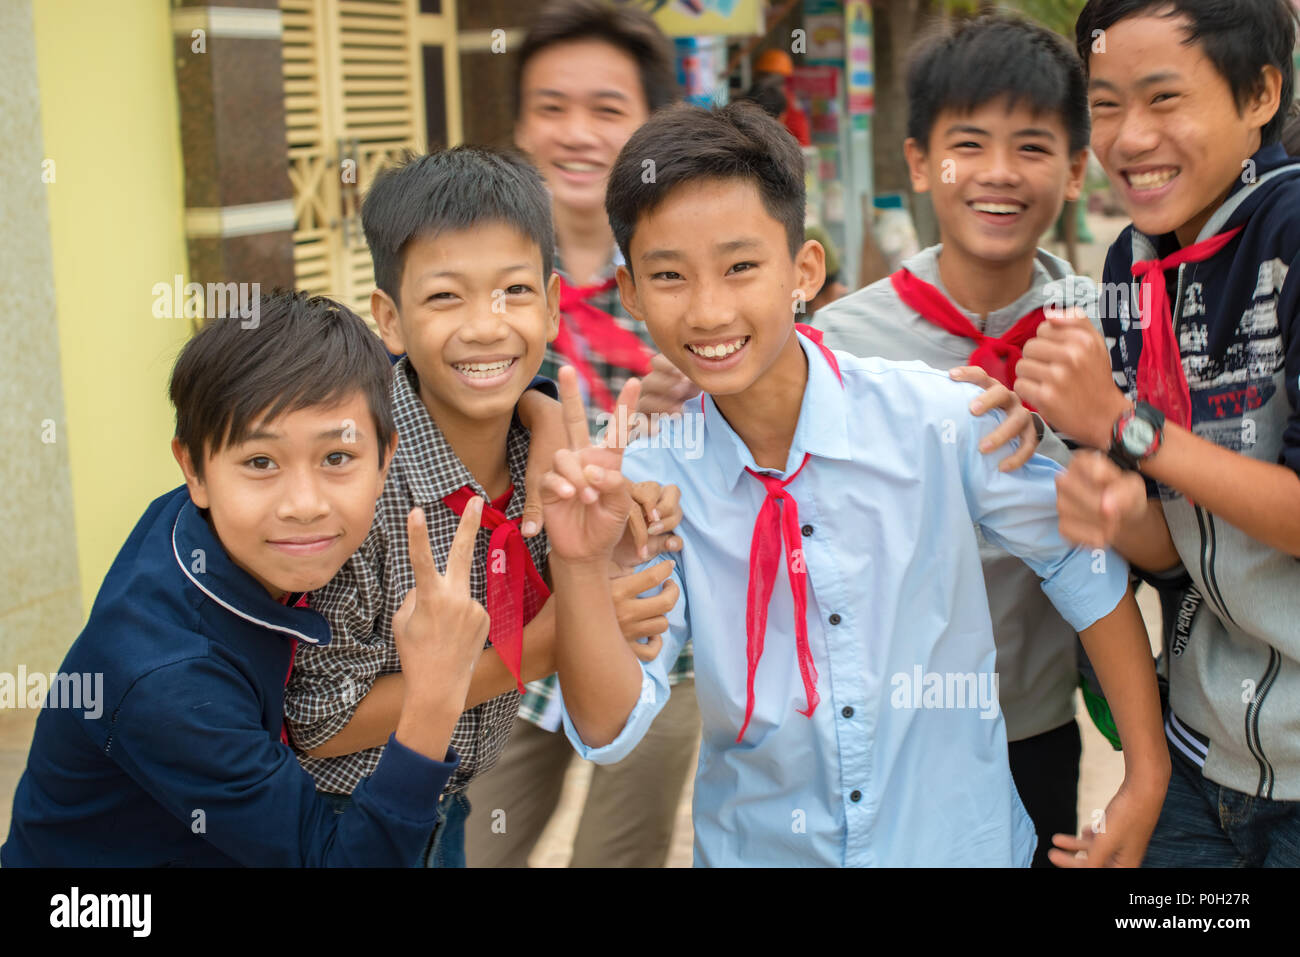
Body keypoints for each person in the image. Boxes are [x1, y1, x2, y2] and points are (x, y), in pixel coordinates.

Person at [538, 101, 1170, 867]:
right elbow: (612, 728)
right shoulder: (646, 484)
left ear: (804, 270)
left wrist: (1147, 764)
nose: (708, 310)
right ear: (631, 293)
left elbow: (1077, 555)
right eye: (669, 276)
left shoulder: (939, 416)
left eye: (741, 266)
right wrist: (576, 564)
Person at [282, 146, 677, 868]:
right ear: (389, 320)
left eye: (514, 292)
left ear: (554, 305)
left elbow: (611, 691)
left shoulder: (551, 460)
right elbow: (318, 721)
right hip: (328, 824)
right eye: (444, 296)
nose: (487, 325)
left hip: (447, 808)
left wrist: (608, 558)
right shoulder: (355, 482)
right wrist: (553, 638)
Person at [1, 291, 489, 866]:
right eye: (261, 463)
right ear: (195, 470)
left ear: (386, 458)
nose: (303, 505)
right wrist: (434, 694)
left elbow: (450, 380)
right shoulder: (171, 680)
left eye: (337, 458)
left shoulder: (210, 532)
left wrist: (542, 414)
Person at [1016, 0, 1300, 867]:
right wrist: (1113, 502)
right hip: (1200, 755)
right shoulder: (1132, 266)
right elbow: (1180, 551)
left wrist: (1123, 426)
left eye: (1164, 98)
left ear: (1260, 94)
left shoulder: (1291, 238)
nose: (1130, 137)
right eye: (1105, 104)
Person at [813, 13, 1101, 868]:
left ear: (1078, 169)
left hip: (1035, 725)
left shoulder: (1103, 330)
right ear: (916, 163)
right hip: (877, 738)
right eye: (968, 144)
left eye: (1035, 146)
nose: (1000, 174)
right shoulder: (835, 343)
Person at [464, 0, 697, 869]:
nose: (576, 133)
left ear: (651, 126)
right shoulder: (473, 285)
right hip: (508, 642)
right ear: (519, 123)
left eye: (608, 109)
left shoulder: (693, 283)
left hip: (654, 637)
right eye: (551, 106)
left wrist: (712, 392)